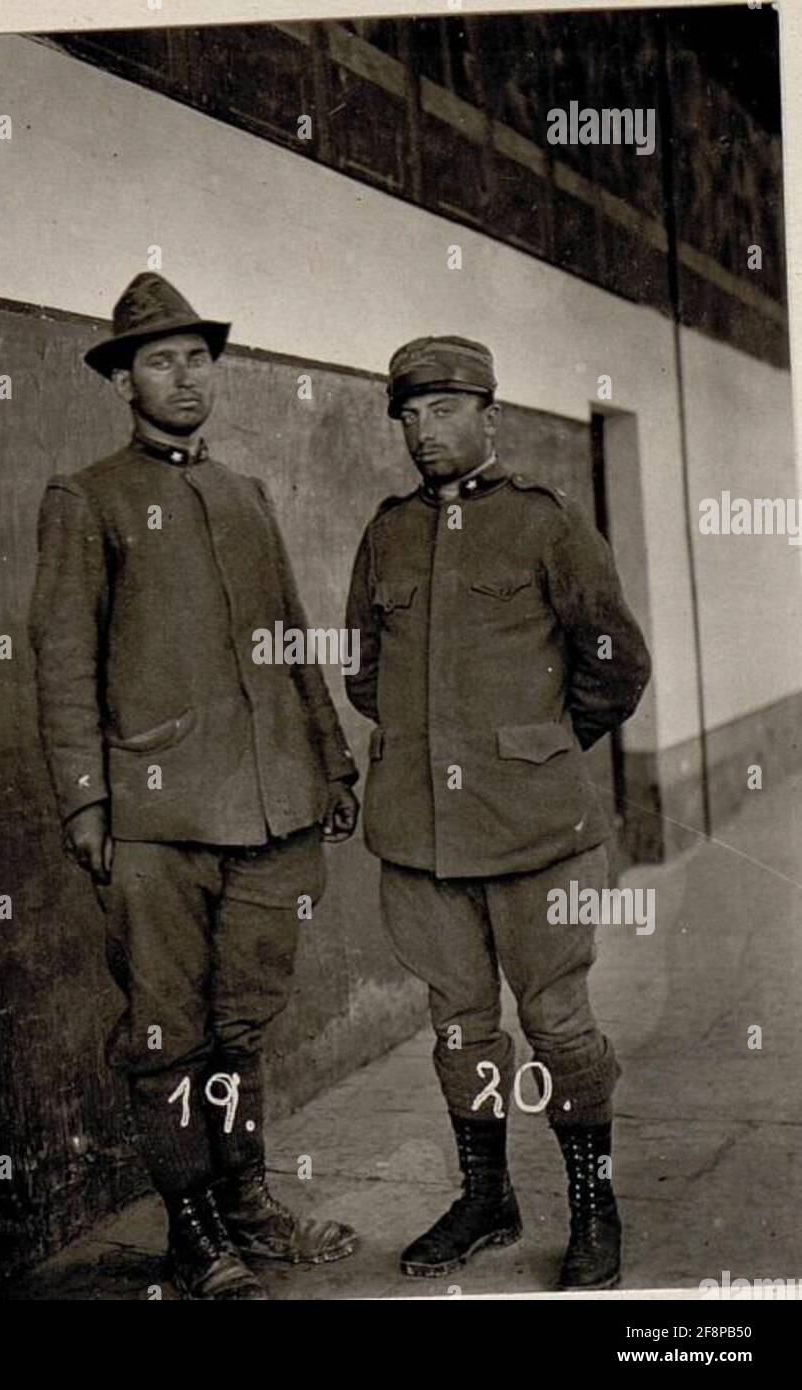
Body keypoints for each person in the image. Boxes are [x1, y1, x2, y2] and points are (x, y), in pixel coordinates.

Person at [30, 272, 360, 1300]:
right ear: (123, 380)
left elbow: (293, 639)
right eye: (160, 359)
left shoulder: (245, 494)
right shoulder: (87, 499)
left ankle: (249, 1201)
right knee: (167, 1032)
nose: (184, 375)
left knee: (240, 1024)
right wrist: (89, 805)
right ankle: (191, 1226)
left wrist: (331, 758)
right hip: (157, 817)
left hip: (273, 811)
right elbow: (61, 660)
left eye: (197, 356)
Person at [345, 335, 651, 1290]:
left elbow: (615, 666)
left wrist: (536, 752)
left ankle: (593, 1209)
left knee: (558, 1025)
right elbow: (366, 673)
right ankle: (487, 1198)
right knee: (458, 1028)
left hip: (535, 837)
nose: (422, 430)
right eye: (408, 413)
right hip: (422, 841)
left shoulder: (547, 524)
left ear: (490, 416)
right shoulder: (387, 531)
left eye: (442, 409)